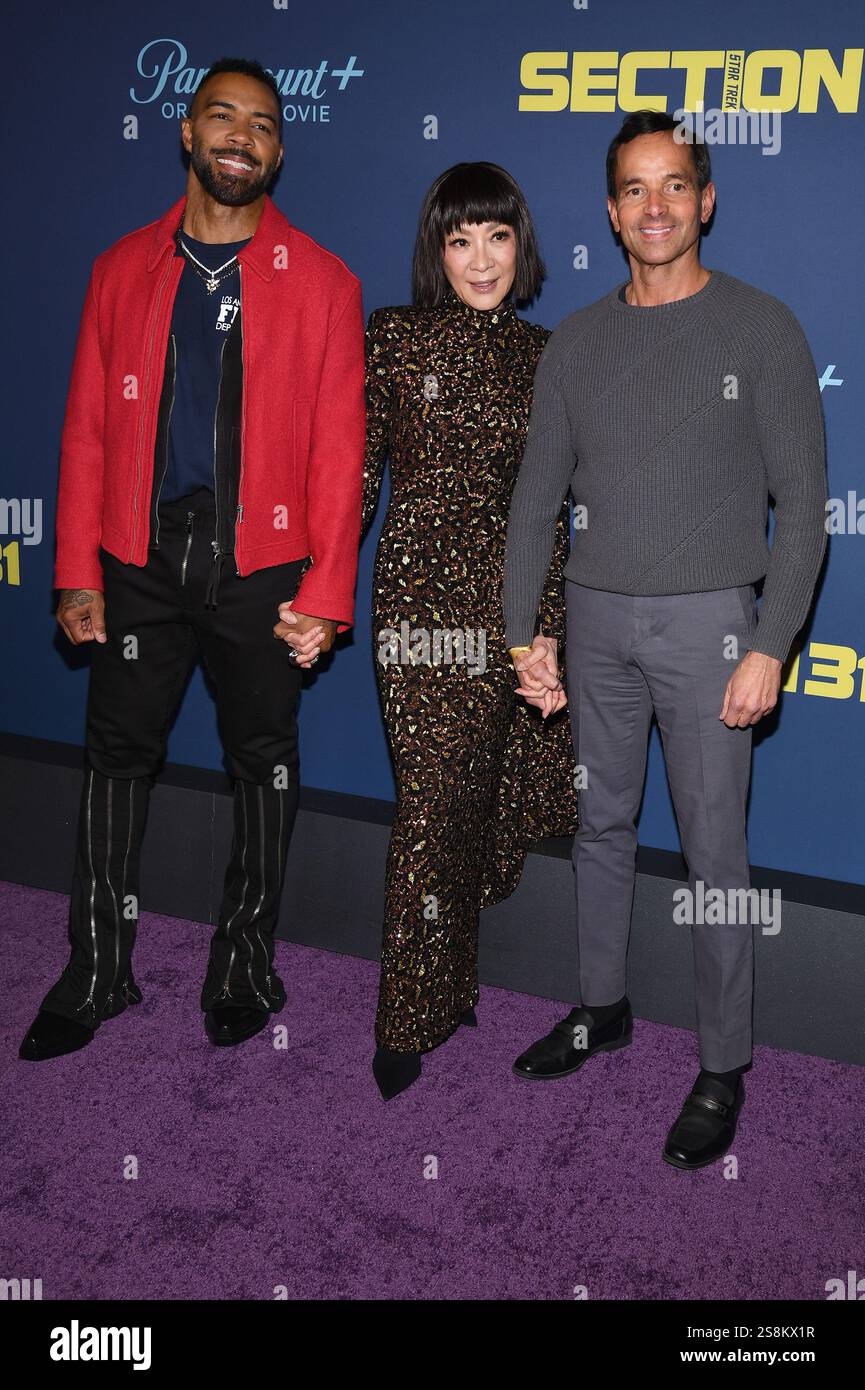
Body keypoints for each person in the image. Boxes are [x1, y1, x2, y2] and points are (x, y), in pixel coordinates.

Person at [19, 57, 365, 1061]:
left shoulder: (325, 282)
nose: (240, 137)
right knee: (115, 759)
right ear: (186, 131)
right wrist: (75, 569)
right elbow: (87, 429)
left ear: (278, 151)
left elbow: (341, 454)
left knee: (263, 761)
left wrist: (326, 590)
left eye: (261, 124)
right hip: (137, 556)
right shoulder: (120, 269)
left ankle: (244, 966)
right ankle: (96, 970)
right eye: (223, 116)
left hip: (263, 565)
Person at [503, 111, 827, 1168]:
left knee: (713, 849)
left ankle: (722, 1062)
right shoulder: (576, 342)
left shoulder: (761, 328)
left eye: (674, 185)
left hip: (711, 627)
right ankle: (600, 1007)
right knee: (598, 825)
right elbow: (536, 498)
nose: (655, 206)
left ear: (706, 200)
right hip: (593, 618)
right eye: (634, 189)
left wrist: (769, 644)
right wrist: (522, 630)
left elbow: (805, 507)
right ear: (610, 211)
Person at [362, 162, 579, 1100]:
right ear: (436, 252)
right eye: (460, 240)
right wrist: (313, 589)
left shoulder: (549, 355)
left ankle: (451, 985)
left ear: (521, 246)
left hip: (511, 609)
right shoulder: (393, 338)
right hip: (417, 609)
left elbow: (555, 511)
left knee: (478, 804)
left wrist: (545, 633)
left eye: (496, 236)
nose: (480, 259)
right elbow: (355, 477)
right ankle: (406, 1018)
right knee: (429, 805)